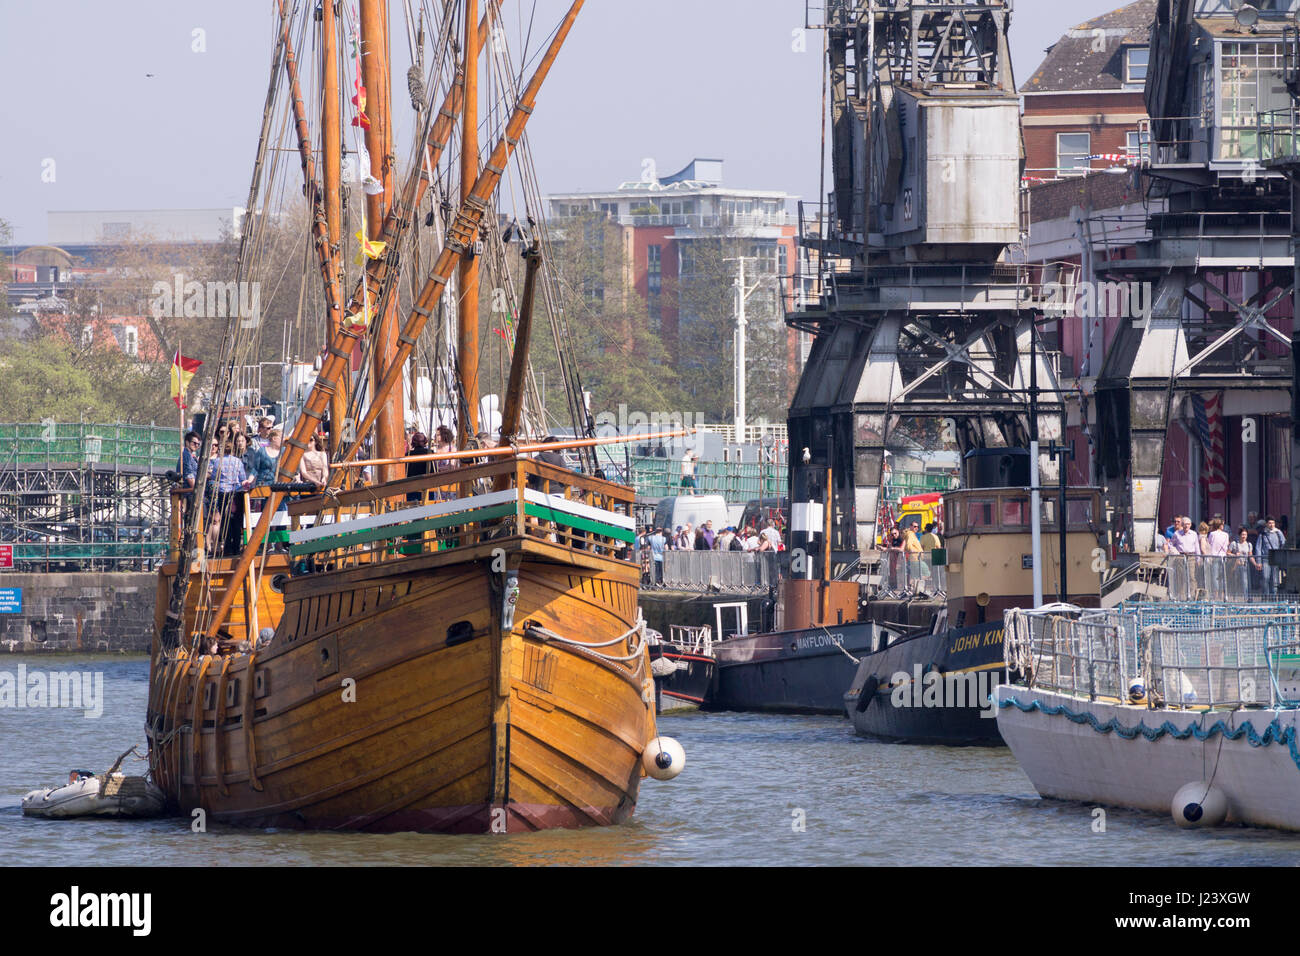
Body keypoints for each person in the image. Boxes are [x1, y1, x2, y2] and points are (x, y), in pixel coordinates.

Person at [210, 441, 252, 557]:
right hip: (236, 492)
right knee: (237, 521)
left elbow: (214, 476)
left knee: (225, 521)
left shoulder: (218, 461)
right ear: (233, 450)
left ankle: (227, 547)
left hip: (223, 492)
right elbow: (242, 477)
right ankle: (236, 548)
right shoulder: (237, 461)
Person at [1256, 516, 1286, 597]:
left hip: (1275, 558)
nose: (1271, 525)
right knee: (1265, 578)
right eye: (1270, 523)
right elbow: (1258, 548)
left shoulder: (1278, 532)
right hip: (1265, 558)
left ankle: (1274, 597)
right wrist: (1258, 561)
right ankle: (1266, 596)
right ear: (1266, 524)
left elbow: (1283, 543)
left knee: (1275, 580)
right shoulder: (1263, 534)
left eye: (1273, 523)